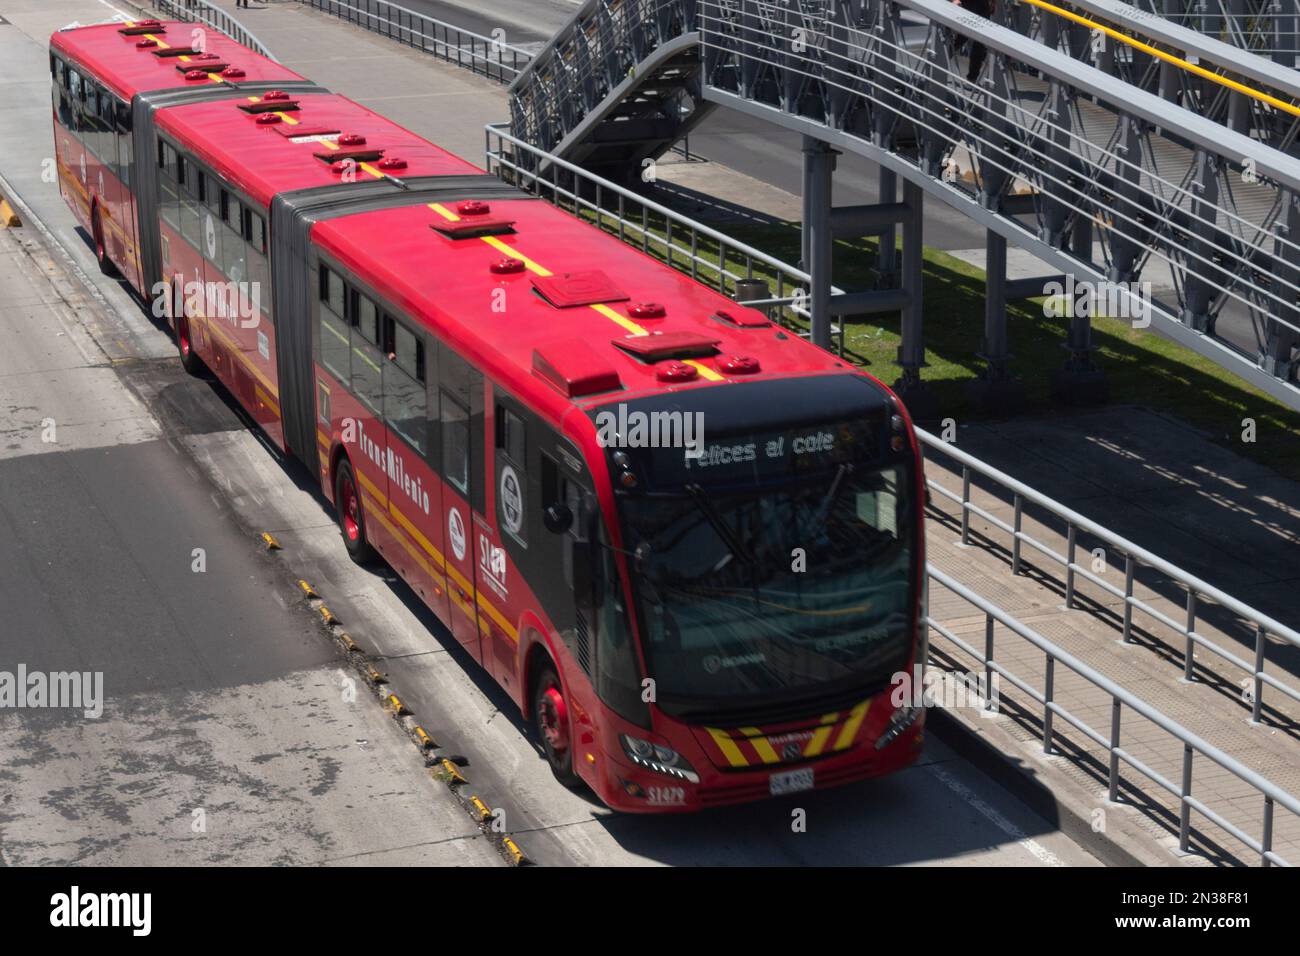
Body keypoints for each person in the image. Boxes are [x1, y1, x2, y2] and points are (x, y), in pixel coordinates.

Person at [952, 0, 995, 83]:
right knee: (963, 37)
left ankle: (972, 78)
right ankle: (941, 59)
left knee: (978, 42)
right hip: (971, 3)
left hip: (982, 4)